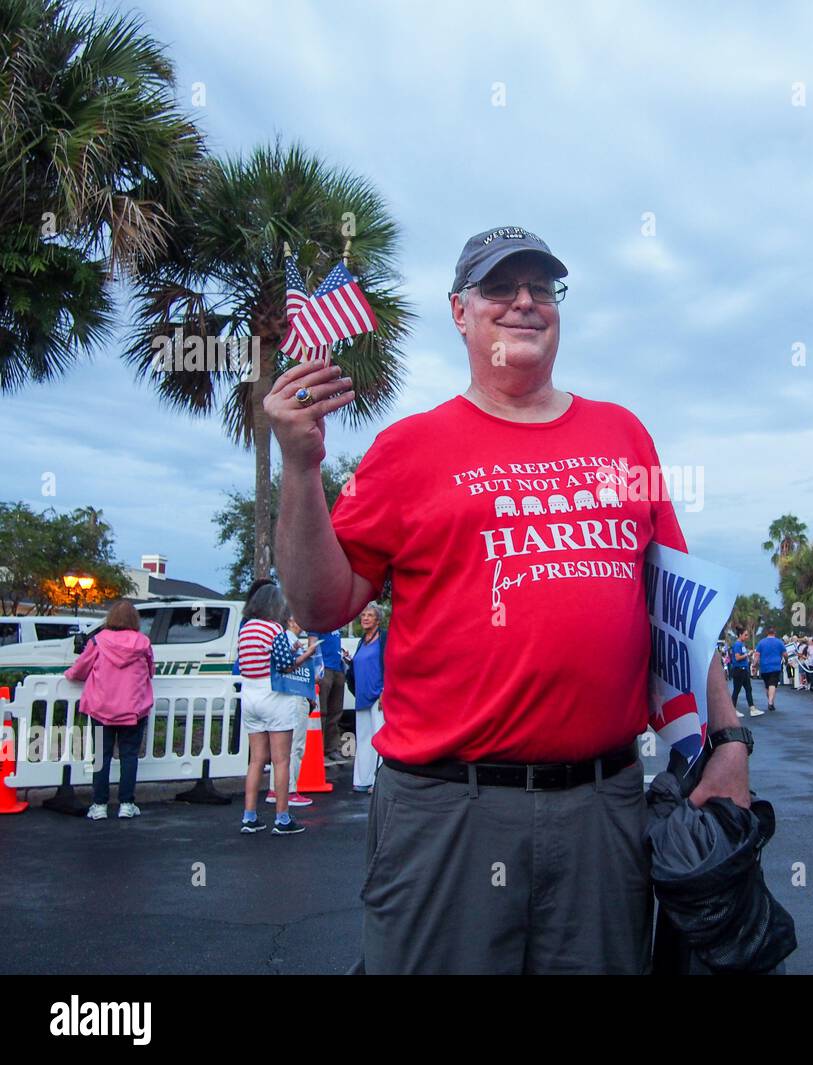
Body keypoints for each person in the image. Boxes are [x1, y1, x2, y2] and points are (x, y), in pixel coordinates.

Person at [267, 226, 751, 974]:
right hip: (446, 810)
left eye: (543, 287)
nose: (524, 301)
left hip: (603, 807)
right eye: (501, 287)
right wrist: (300, 470)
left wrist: (729, 743)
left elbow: (679, 612)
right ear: (460, 310)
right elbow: (320, 603)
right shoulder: (407, 448)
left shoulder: (623, 436)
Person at [65, 600, 154, 820]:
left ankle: (99, 805)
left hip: (101, 709)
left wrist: (68, 675)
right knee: (129, 756)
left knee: (101, 758)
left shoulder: (98, 641)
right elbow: (150, 671)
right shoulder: (143, 643)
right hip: (133, 710)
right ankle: (126, 803)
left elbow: (80, 669)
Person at [236, 584, 312, 835]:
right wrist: (306, 653)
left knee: (257, 760)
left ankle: (249, 816)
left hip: (250, 696)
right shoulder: (274, 629)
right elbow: (286, 666)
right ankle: (282, 818)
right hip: (274, 697)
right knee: (281, 760)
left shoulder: (246, 629)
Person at [264, 617, 318, 808]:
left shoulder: (284, 639)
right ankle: (289, 790)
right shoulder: (287, 639)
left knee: (281, 747)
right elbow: (290, 667)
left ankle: (274, 789)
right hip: (295, 696)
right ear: (290, 621)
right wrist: (309, 652)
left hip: (283, 696)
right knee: (295, 745)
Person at [346, 603, 385, 793]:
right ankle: (363, 779)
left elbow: (391, 663)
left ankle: (379, 780)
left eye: (369, 615)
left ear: (378, 619)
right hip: (361, 695)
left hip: (378, 695)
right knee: (362, 739)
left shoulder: (384, 639)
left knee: (379, 737)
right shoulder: (362, 641)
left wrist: (386, 690)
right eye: (363, 615)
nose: (365, 618)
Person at [310, 626, 347, 762]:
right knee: (322, 712)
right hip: (324, 669)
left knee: (336, 711)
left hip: (337, 668)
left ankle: (331, 748)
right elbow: (312, 644)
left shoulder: (336, 623)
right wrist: (315, 669)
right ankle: (317, 750)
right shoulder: (318, 621)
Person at [755, 626, 787, 713]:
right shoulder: (779, 642)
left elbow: (757, 654)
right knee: (773, 684)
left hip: (764, 667)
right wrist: (786, 661)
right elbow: (785, 654)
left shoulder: (761, 642)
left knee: (767, 686)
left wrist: (754, 664)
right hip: (775, 666)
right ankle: (770, 701)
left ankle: (771, 702)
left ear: (767, 633)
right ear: (774, 633)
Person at [730, 628, 758, 715]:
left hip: (744, 669)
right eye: (745, 635)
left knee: (748, 689)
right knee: (736, 690)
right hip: (739, 670)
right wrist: (747, 654)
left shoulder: (742, 644)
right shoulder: (737, 645)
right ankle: (732, 710)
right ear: (740, 635)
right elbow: (737, 657)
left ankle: (752, 708)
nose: (747, 637)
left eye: (747, 635)